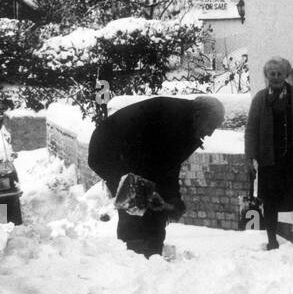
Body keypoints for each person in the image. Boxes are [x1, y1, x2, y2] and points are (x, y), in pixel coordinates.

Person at [88, 96, 226, 257]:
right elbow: (151, 164)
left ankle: (151, 253)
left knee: (149, 203)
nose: (210, 133)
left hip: (130, 153)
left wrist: (172, 198)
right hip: (110, 151)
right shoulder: (174, 122)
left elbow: (170, 166)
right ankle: (134, 255)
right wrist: (153, 194)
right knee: (135, 201)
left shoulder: (185, 123)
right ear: (198, 116)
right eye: (210, 126)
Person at [244, 57, 293, 249]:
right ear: (267, 75)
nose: (276, 77)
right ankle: (272, 240)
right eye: (272, 74)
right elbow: (251, 130)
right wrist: (249, 158)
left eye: (280, 74)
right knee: (271, 203)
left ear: (286, 75)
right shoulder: (260, 99)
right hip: (271, 161)